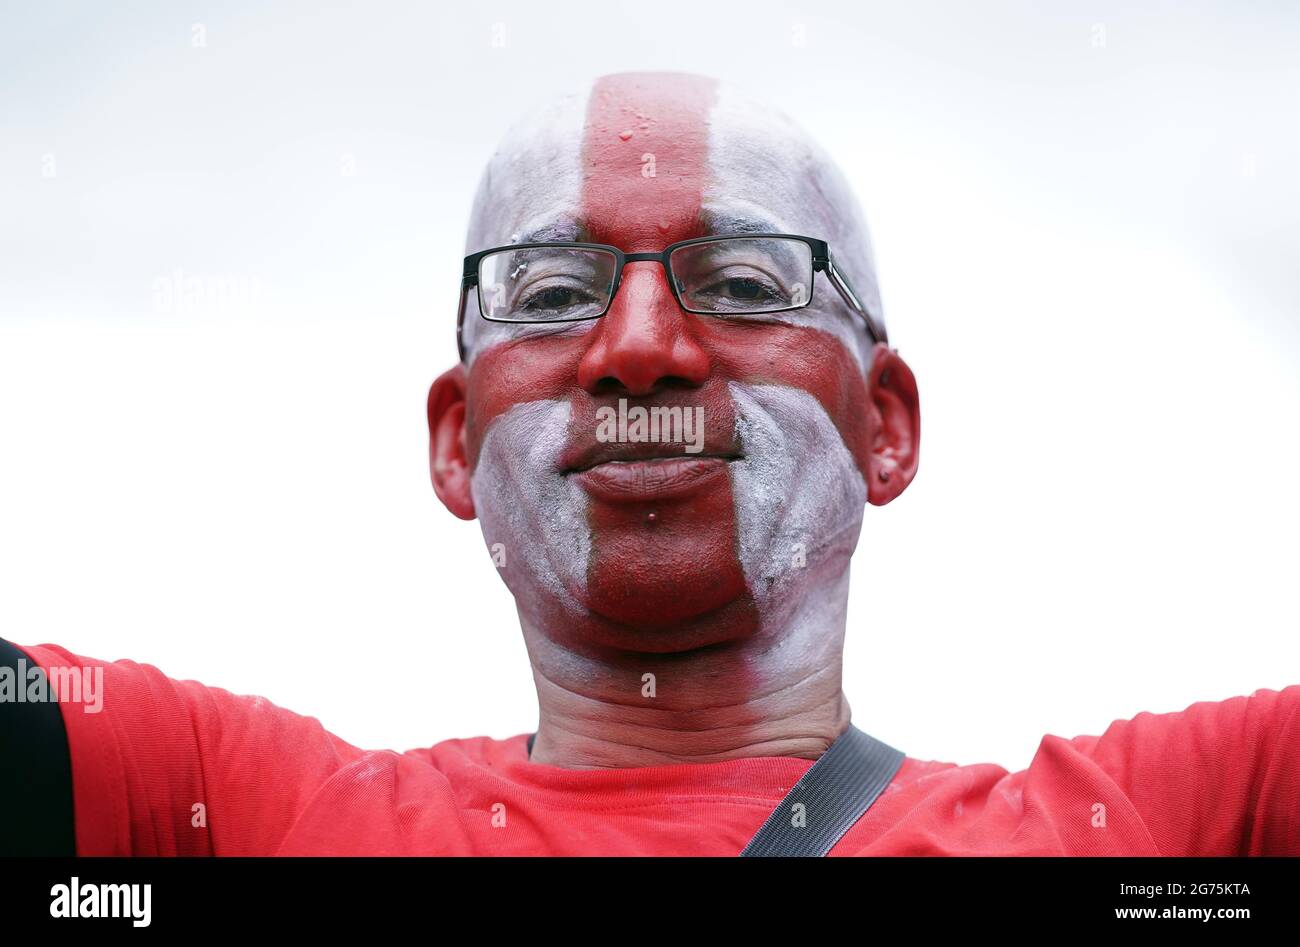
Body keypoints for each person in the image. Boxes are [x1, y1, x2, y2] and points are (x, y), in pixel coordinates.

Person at [3, 71, 1297, 856]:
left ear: (884, 423)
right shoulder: (224, 814)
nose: (637, 348)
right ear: (456, 443)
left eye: (741, 280)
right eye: (551, 290)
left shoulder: (1168, 832)